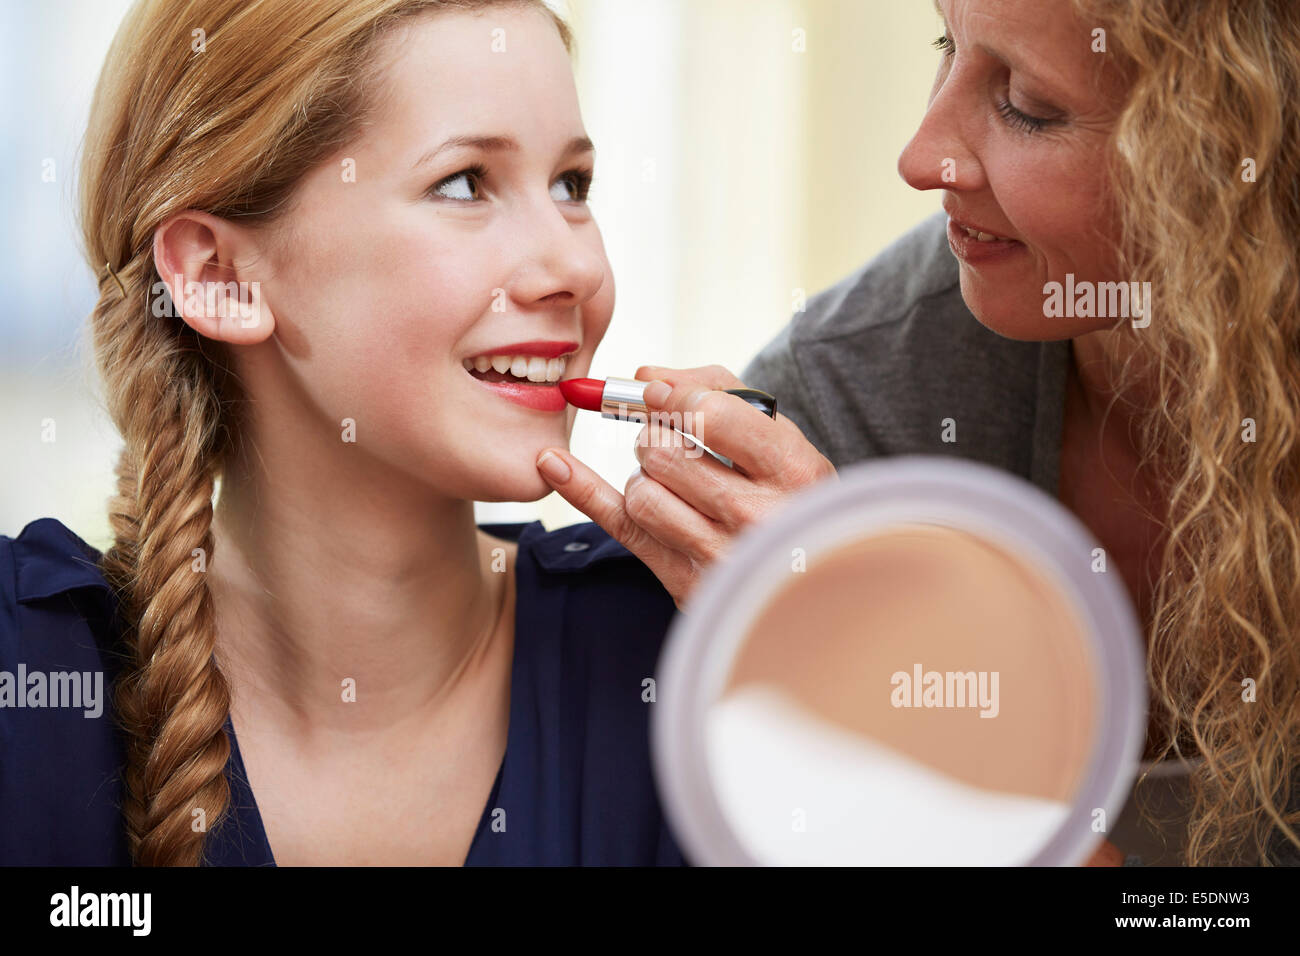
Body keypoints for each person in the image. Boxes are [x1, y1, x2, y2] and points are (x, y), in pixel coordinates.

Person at [537, 0, 1300, 866]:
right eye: (947, 43)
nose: (919, 156)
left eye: (1026, 104)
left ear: (1243, 149)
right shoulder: (844, 395)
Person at [0, 0, 692, 866]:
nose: (580, 269)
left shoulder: (689, 645)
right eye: (466, 183)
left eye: (572, 186)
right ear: (219, 275)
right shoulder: (26, 675)